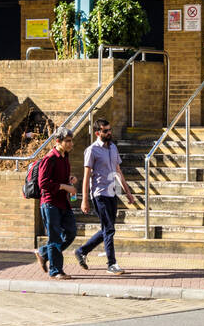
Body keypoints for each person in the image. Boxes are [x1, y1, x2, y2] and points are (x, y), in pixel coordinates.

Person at [75, 118, 134, 275]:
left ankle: (82, 251)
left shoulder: (113, 148)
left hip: (112, 192)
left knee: (107, 229)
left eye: (110, 130)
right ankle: (111, 264)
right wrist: (84, 200)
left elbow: (118, 171)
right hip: (99, 194)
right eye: (105, 131)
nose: (109, 133)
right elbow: (86, 176)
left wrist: (127, 192)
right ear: (97, 132)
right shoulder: (92, 150)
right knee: (109, 229)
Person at [34, 129, 78, 280]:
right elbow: (43, 183)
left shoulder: (65, 156)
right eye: (67, 141)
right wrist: (65, 187)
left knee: (71, 232)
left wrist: (69, 180)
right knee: (55, 238)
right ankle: (55, 271)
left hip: (63, 203)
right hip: (50, 203)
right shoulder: (50, 158)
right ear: (57, 141)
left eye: (71, 140)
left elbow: (58, 178)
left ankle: (44, 253)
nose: (71, 144)